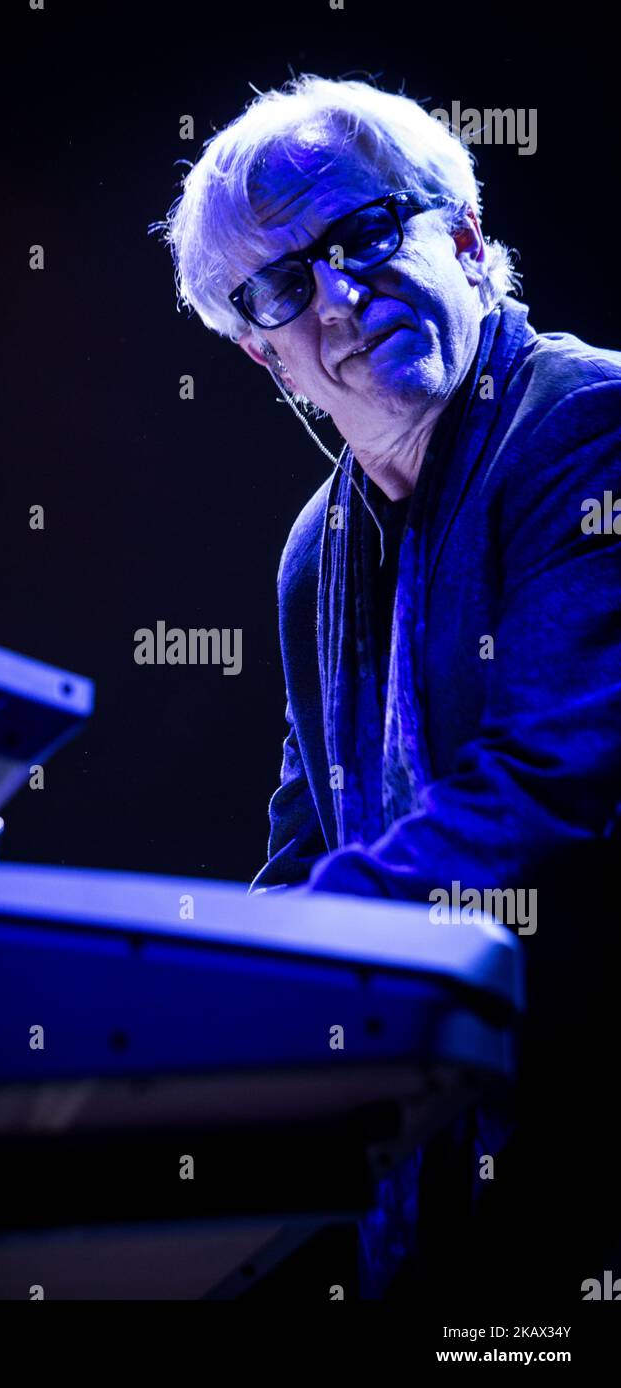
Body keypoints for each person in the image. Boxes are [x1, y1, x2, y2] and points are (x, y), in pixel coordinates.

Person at [159, 75, 621, 1298]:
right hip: (427, 1195)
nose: (340, 298)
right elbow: (303, 837)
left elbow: (544, 788)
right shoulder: (312, 552)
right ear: (264, 355)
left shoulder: (590, 424)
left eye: (363, 233)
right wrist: (183, 1002)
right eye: (280, 287)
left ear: (464, 242)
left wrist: (274, 959)